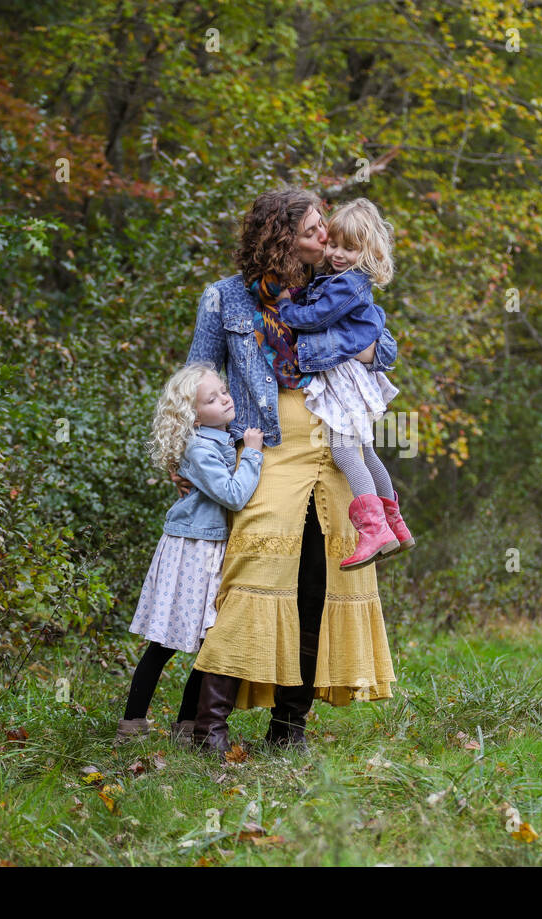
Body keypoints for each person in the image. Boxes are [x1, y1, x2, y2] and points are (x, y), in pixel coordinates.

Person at [176, 187, 399, 754]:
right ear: (281, 234)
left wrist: (364, 346)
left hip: (336, 438)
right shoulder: (226, 299)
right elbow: (197, 379)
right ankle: (208, 726)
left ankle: (288, 728)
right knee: (255, 567)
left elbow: (386, 347)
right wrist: (187, 452)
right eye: (313, 228)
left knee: (320, 580)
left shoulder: (335, 283)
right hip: (270, 444)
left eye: (326, 226)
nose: (326, 236)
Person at [115, 363, 264, 745]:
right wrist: (252, 455)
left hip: (212, 548)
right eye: (211, 399)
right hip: (193, 551)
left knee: (210, 641)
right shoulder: (200, 448)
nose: (225, 398)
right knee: (164, 643)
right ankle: (131, 725)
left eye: (223, 391)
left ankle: (186, 727)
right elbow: (232, 494)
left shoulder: (217, 437)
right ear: (194, 416)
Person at [274, 197, 415, 570]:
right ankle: (395, 525)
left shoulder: (349, 285)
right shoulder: (340, 278)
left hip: (344, 380)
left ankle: (374, 531)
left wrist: (287, 307)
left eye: (349, 248)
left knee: (343, 452)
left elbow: (317, 318)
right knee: (367, 452)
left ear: (367, 251)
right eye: (333, 244)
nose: (336, 253)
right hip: (349, 376)